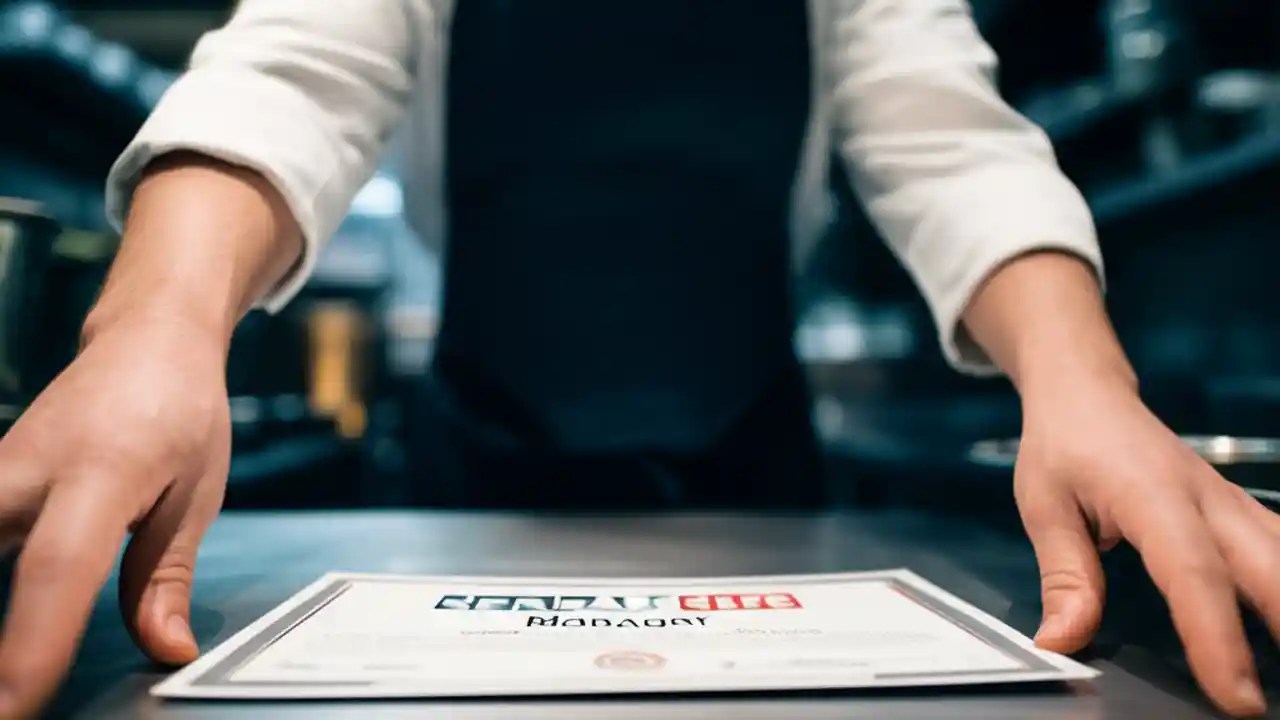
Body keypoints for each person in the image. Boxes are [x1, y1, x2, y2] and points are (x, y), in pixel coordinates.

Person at [0, 0, 1273, 716]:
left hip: (757, 466)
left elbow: (953, 148)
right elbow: (289, 76)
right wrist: (157, 322)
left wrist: (1084, 384)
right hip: (475, 468)